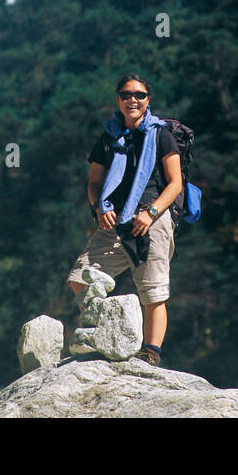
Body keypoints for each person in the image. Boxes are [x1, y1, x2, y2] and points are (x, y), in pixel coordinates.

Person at [66, 73, 182, 366]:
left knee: (152, 291)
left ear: (148, 100)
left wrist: (152, 213)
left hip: (151, 219)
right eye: (126, 94)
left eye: (139, 95)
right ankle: (108, 334)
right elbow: (94, 183)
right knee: (80, 278)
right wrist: (98, 207)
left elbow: (175, 183)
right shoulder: (109, 138)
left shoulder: (161, 134)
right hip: (115, 221)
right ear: (118, 100)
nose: (133, 99)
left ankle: (151, 352)